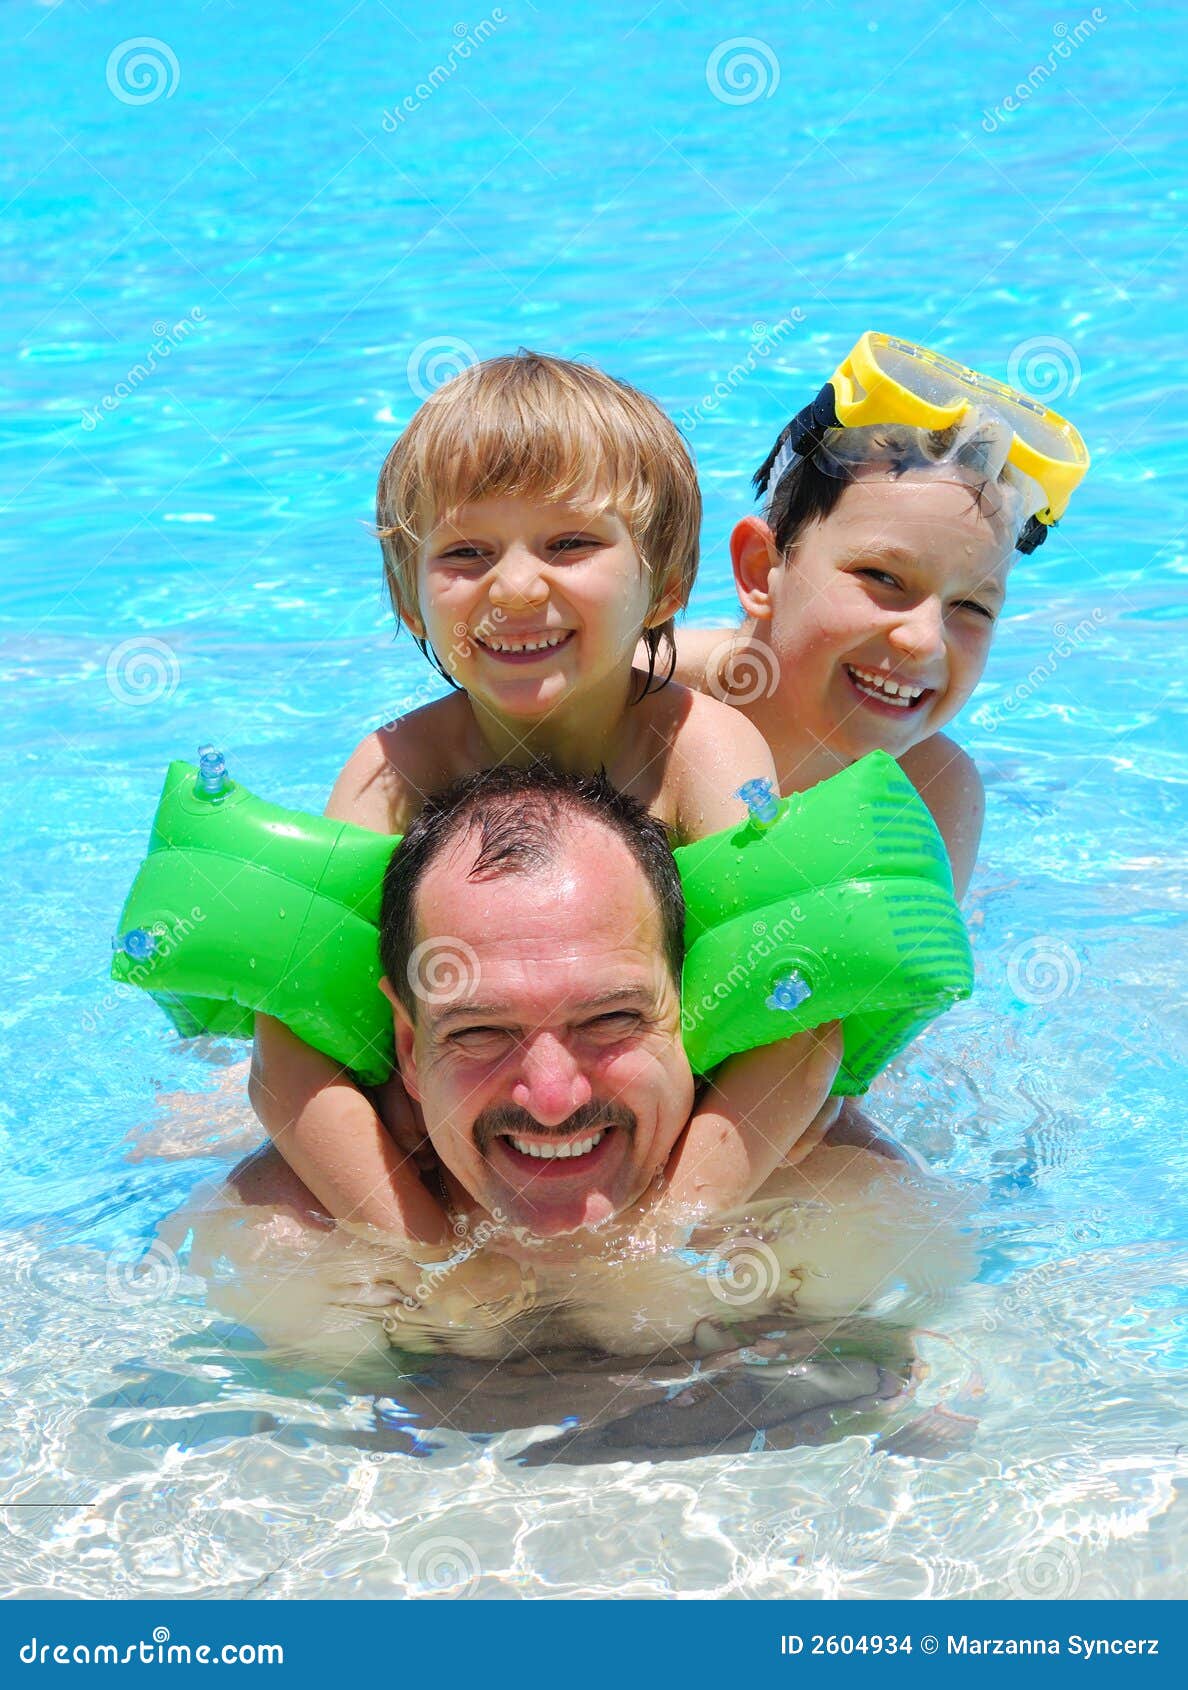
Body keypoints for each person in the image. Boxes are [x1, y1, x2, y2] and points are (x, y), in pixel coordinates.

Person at [249, 351, 841, 1247]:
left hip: (650, 1133)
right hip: (474, 1127)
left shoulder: (704, 754)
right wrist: (428, 1258)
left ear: (668, 583)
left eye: (569, 543)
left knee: (842, 1163)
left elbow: (801, 1024)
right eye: (465, 553)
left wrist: (661, 1243)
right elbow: (286, 1060)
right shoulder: (390, 772)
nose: (517, 587)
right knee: (269, 1213)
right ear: (411, 600)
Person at [185, 764, 969, 1373]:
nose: (553, 1098)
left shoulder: (840, 1218)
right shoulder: (285, 1247)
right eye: (482, 1031)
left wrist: (667, 1242)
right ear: (408, 1046)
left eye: (611, 1020)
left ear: (691, 1013)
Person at [665, 332, 1089, 901]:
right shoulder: (639, 702)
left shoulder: (933, 794)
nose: (923, 642)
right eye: (883, 578)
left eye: (971, 606)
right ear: (761, 568)